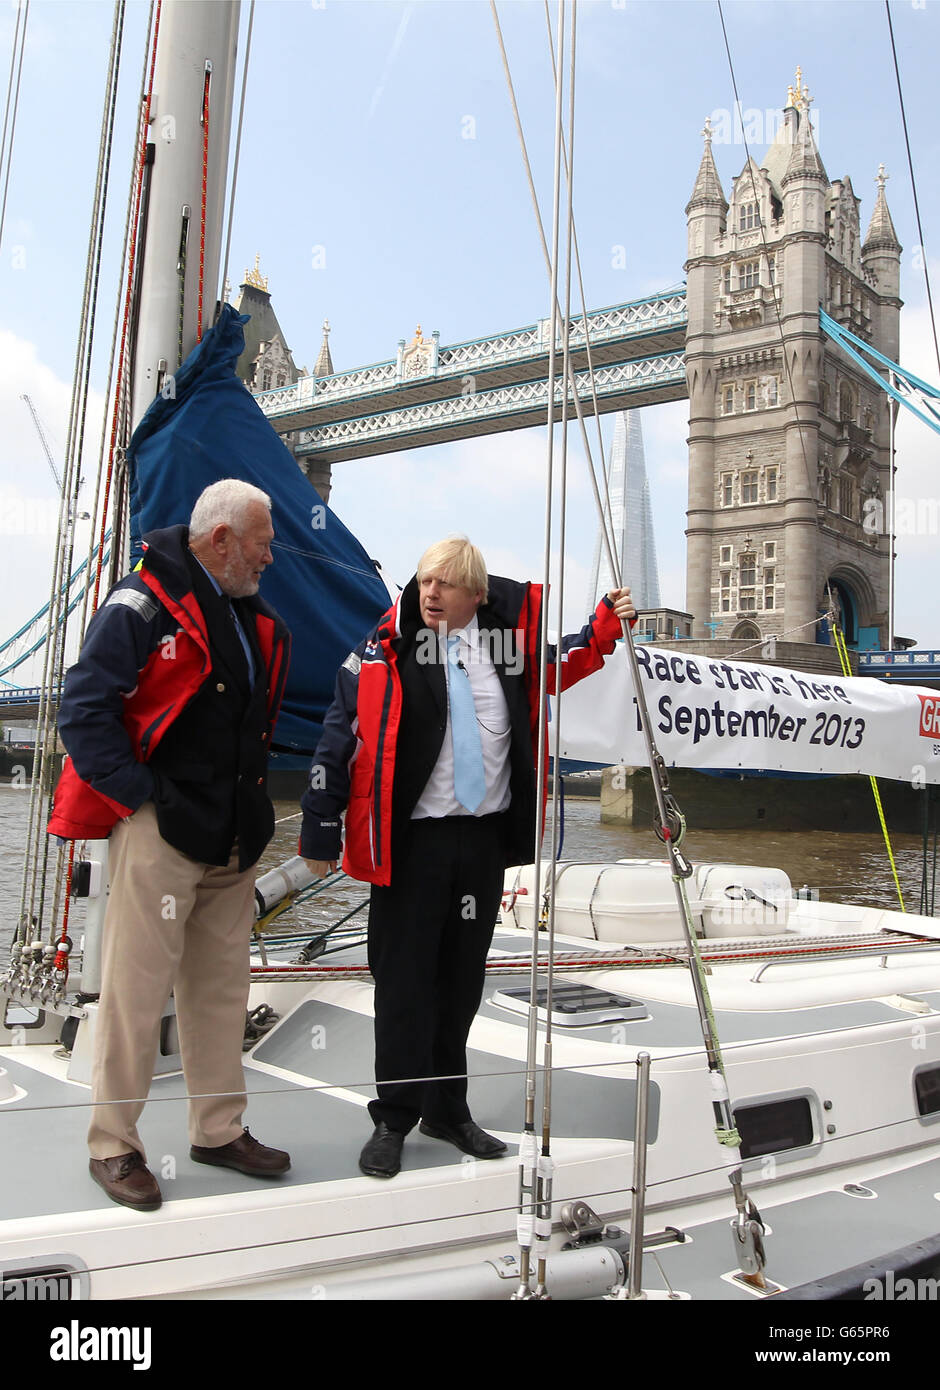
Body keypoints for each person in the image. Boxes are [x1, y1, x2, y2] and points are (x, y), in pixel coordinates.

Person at [300, 537, 635, 1179]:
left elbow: (560, 665)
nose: (430, 593)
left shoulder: (506, 646)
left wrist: (602, 630)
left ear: (476, 596)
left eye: (446, 585)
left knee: (460, 983)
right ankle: (393, 1117)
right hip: (412, 844)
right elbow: (340, 731)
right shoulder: (384, 647)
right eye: (425, 580)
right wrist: (320, 825)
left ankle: (447, 1110)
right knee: (403, 987)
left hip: (479, 842)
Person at [49, 479, 292, 1211]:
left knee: (221, 992)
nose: (270, 558)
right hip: (164, 829)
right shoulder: (140, 604)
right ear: (221, 540)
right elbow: (83, 707)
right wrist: (140, 797)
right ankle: (113, 1145)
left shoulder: (248, 616)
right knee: (135, 991)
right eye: (261, 544)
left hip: (233, 833)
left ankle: (218, 1129)